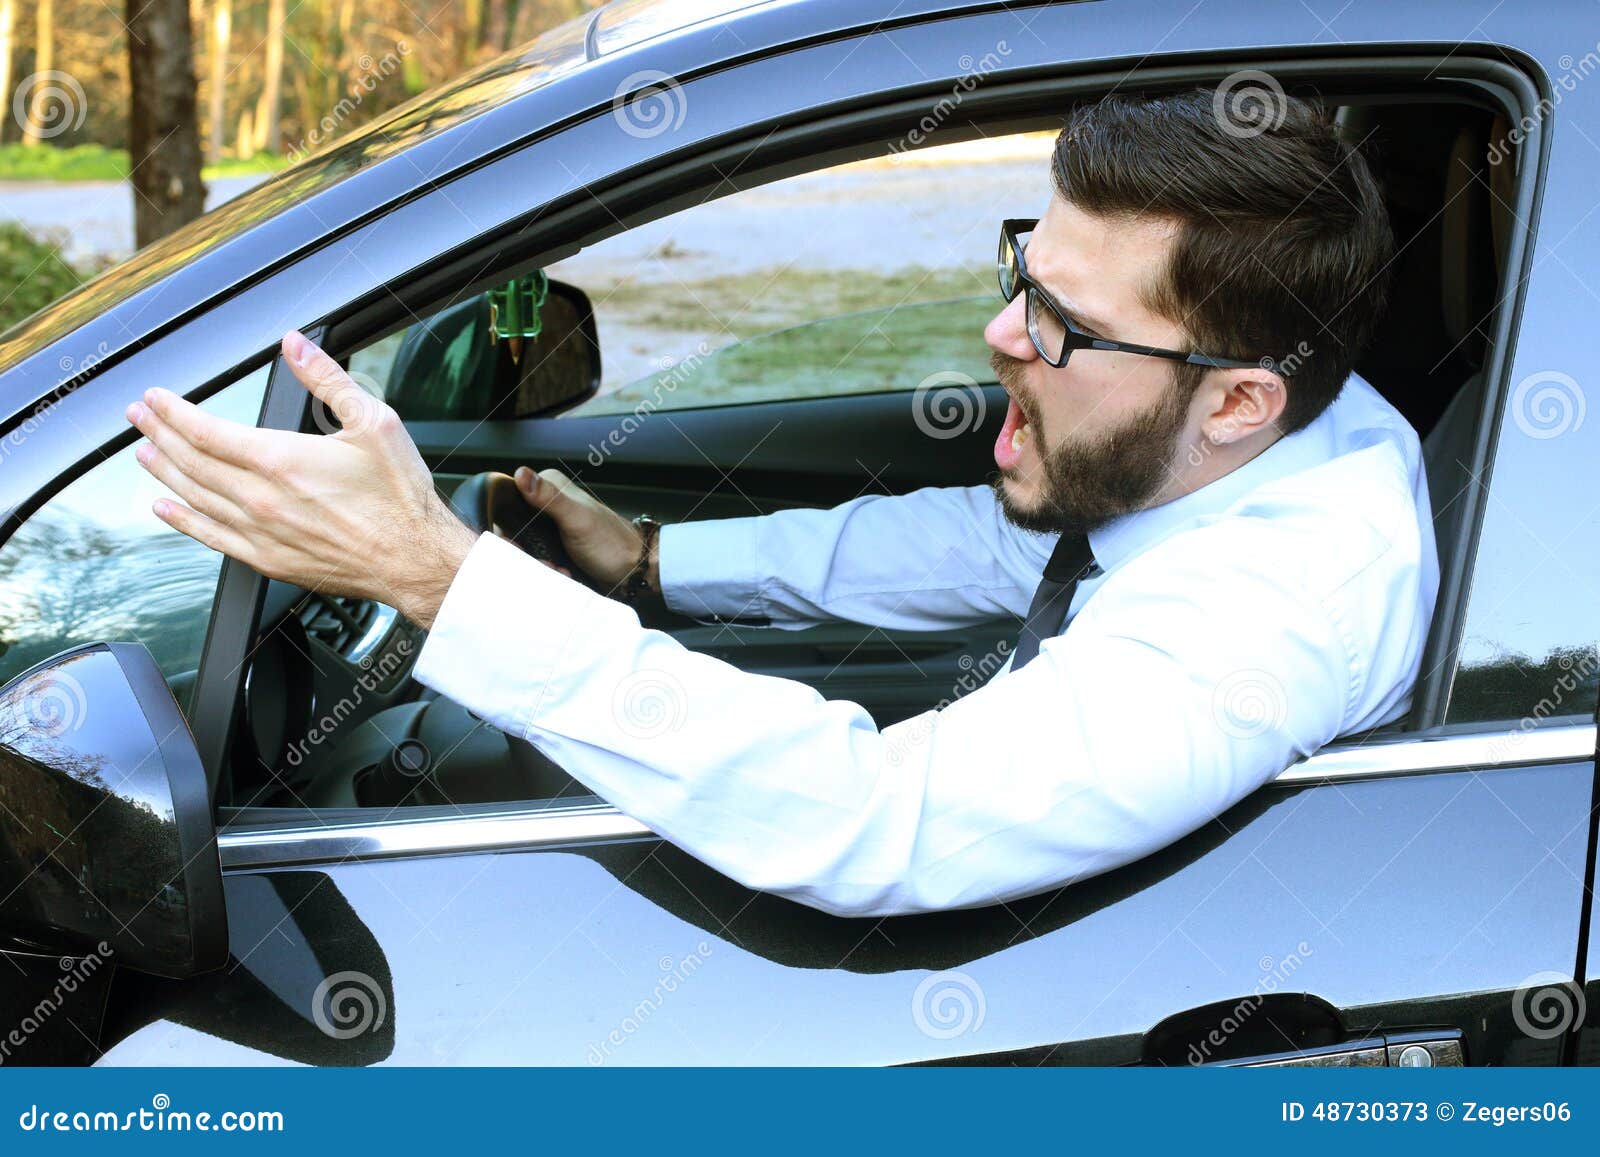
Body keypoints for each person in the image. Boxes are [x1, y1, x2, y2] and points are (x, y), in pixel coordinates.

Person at [124, 88, 1438, 917]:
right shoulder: (1242, 436)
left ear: (1236, 402)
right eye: (1018, 275)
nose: (998, 335)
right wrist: (647, 559)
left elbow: (882, 823)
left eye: (1061, 324)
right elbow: (1000, 550)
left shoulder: (1269, 615)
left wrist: (438, 577)